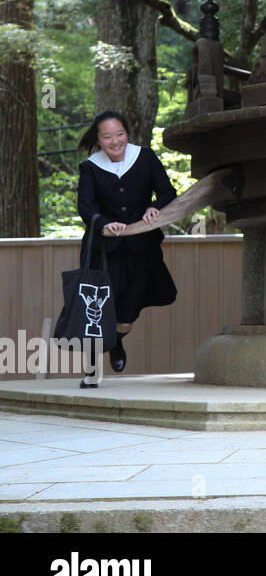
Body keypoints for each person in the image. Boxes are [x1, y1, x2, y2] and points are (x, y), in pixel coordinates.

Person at [75, 111, 178, 386]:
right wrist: (105, 225)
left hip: (141, 248)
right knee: (98, 312)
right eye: (107, 136)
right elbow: (85, 207)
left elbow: (168, 192)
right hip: (105, 251)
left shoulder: (144, 157)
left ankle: (118, 340)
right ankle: (91, 371)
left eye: (119, 134)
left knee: (126, 317)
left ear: (127, 133)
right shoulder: (90, 167)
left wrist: (153, 207)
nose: (115, 141)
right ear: (98, 140)